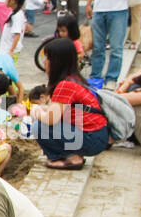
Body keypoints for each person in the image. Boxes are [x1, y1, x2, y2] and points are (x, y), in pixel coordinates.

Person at [26, 38, 110, 169]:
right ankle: (72, 153)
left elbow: (50, 119)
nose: (44, 62)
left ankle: (71, 158)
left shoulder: (65, 85)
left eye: (47, 57)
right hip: (97, 135)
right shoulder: (73, 79)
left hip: (92, 138)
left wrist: (35, 111)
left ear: (56, 62)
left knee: (39, 126)